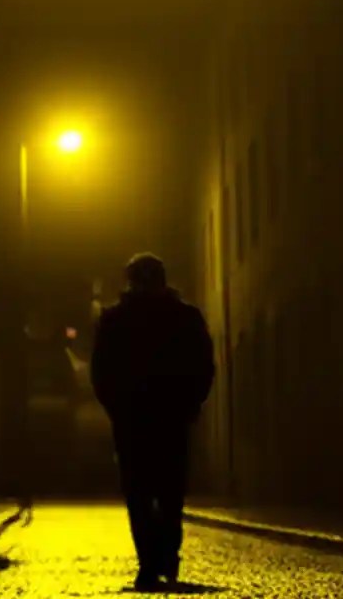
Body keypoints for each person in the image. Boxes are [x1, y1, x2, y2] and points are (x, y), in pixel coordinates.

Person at [91, 252, 214, 590]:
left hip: (133, 420)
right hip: (171, 417)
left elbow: (100, 373)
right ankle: (164, 556)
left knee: (141, 494)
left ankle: (149, 562)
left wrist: (116, 407)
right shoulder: (185, 317)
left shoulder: (115, 321)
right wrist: (191, 403)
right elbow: (204, 365)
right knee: (169, 493)